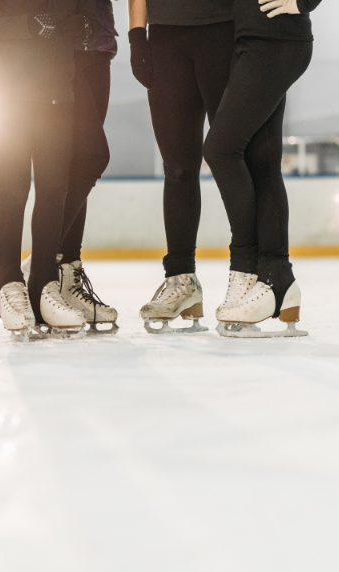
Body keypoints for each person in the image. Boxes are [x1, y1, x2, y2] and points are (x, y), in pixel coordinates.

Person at [0, 0, 96, 341]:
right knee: (13, 187)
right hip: (8, 87)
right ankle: (9, 282)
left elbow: (84, 18)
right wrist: (30, 25)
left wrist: (81, 26)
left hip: (57, 85)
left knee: (54, 190)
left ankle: (44, 285)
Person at [204, 0, 321, 338]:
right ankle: (279, 280)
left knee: (220, 149)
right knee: (264, 163)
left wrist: (303, 2)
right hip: (253, 41)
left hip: (276, 40)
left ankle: (262, 270)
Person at [126, 0, 235, 334]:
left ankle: (248, 276)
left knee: (232, 158)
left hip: (225, 28)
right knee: (177, 168)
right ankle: (181, 279)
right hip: (165, 39)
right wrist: (136, 36)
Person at [22, 0, 120, 335]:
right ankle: (41, 264)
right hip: (59, 49)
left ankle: (65, 275)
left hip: (99, 46)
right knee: (91, 157)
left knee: (79, 164)